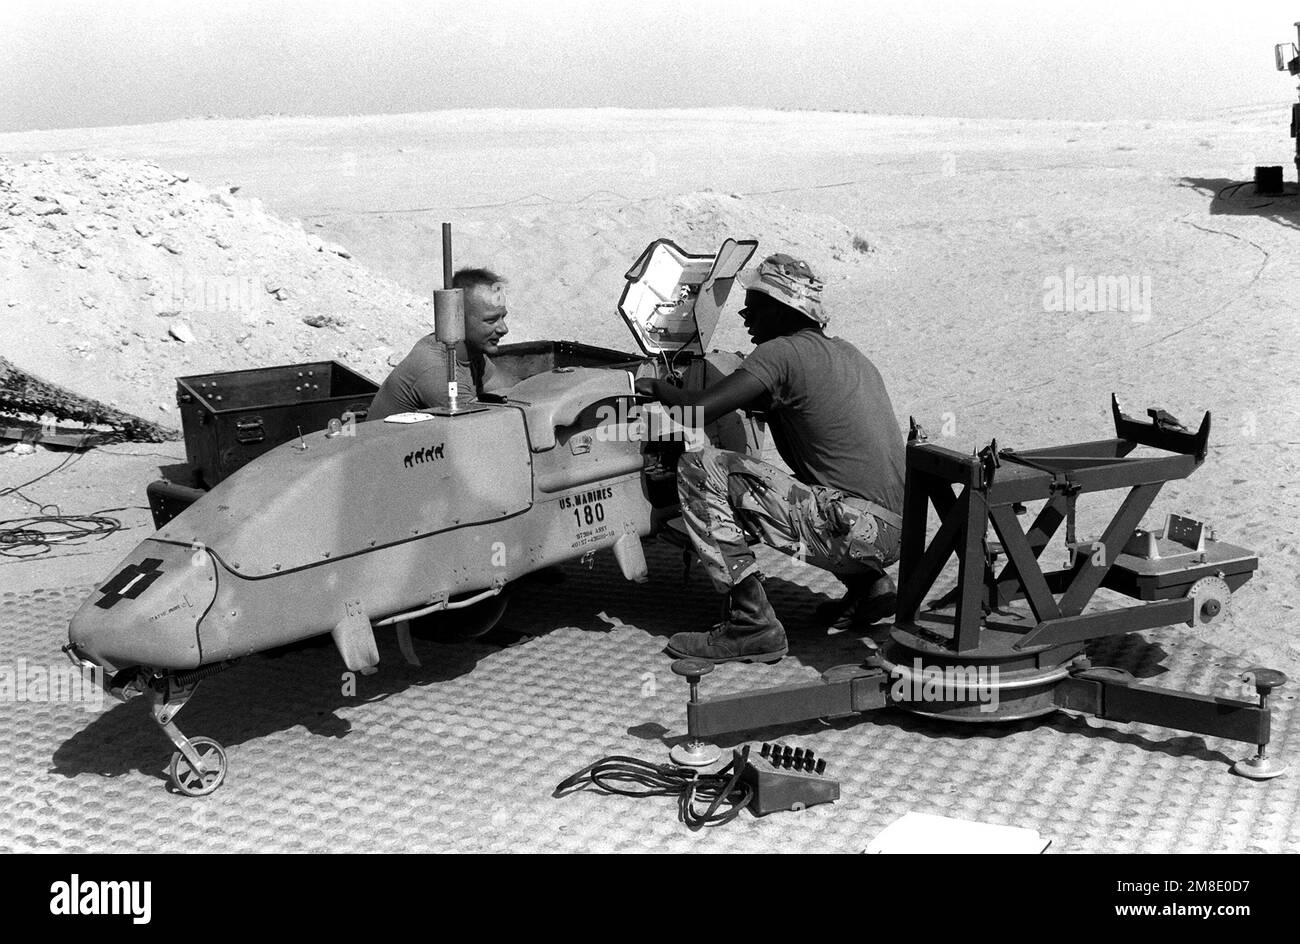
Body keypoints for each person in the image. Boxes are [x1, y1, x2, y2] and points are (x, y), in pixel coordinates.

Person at [634, 253, 905, 664]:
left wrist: (657, 388)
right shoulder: (845, 354)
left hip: (856, 530)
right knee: (814, 489)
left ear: (782, 310)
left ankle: (751, 625)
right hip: (896, 530)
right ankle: (871, 588)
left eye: (755, 303)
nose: (744, 314)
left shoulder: (780, 353)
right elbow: (761, 401)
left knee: (700, 467)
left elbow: (697, 412)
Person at [366, 268, 514, 419]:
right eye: (491, 320)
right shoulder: (439, 369)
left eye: (503, 318)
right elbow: (476, 427)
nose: (504, 329)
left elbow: (512, 389)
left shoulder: (469, 351)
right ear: (457, 318)